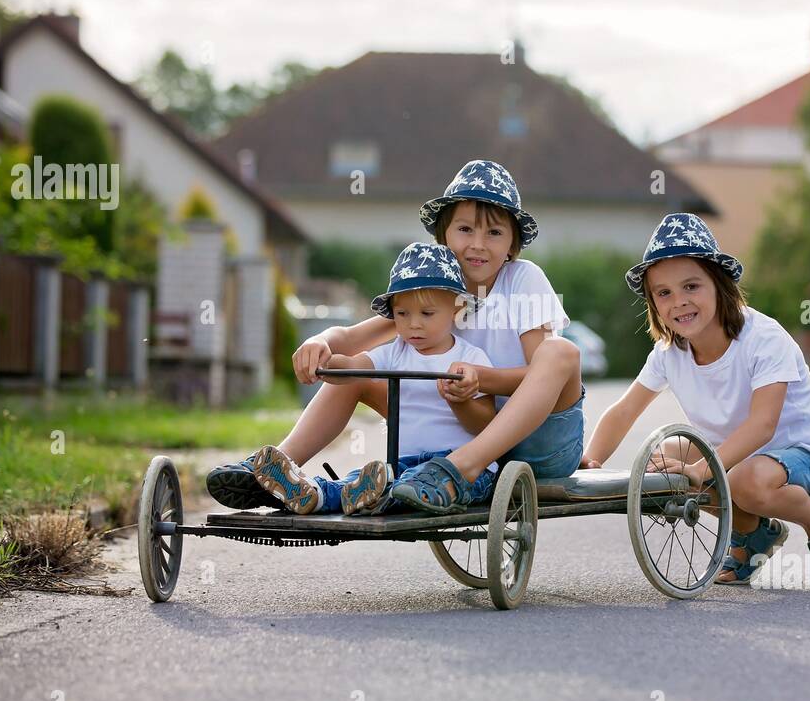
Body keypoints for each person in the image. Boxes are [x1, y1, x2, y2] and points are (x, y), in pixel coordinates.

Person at [208, 159, 584, 515]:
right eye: (465, 229)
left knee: (560, 353)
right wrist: (319, 342)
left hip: (535, 441)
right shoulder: (432, 292)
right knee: (351, 372)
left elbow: (541, 374)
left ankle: (462, 467)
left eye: (494, 232)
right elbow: (351, 338)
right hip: (460, 428)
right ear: (444, 234)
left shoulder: (522, 279)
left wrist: (478, 378)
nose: (478, 244)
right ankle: (276, 468)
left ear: (512, 244)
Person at [580, 213, 810, 589]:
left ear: (718, 283)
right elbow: (625, 410)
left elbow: (763, 425)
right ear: (653, 303)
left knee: (742, 480)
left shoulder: (763, 338)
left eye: (691, 286)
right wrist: (591, 460)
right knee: (666, 459)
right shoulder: (669, 352)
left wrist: (702, 470)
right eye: (664, 293)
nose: (679, 302)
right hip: (742, 460)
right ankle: (752, 532)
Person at [250, 242, 499, 515]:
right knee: (373, 479)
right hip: (405, 463)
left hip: (461, 466)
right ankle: (314, 492)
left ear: (456, 309)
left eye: (427, 314)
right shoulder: (395, 352)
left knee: (402, 485)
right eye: (402, 314)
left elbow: (485, 424)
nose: (414, 324)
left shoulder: (471, 358)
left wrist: (460, 401)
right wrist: (324, 361)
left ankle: (373, 495)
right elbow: (355, 367)